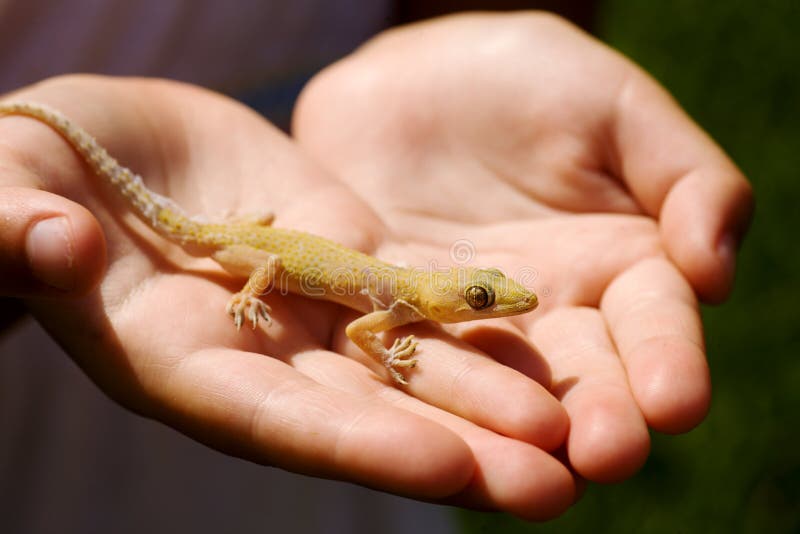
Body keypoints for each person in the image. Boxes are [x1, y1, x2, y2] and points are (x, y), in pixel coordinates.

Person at [0, 6, 752, 530]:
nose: (499, 305)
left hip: (247, 237)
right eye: (484, 298)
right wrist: (379, 353)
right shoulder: (396, 307)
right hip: (217, 267)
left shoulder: (414, 295)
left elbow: (370, 320)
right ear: (450, 300)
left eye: (485, 297)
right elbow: (360, 330)